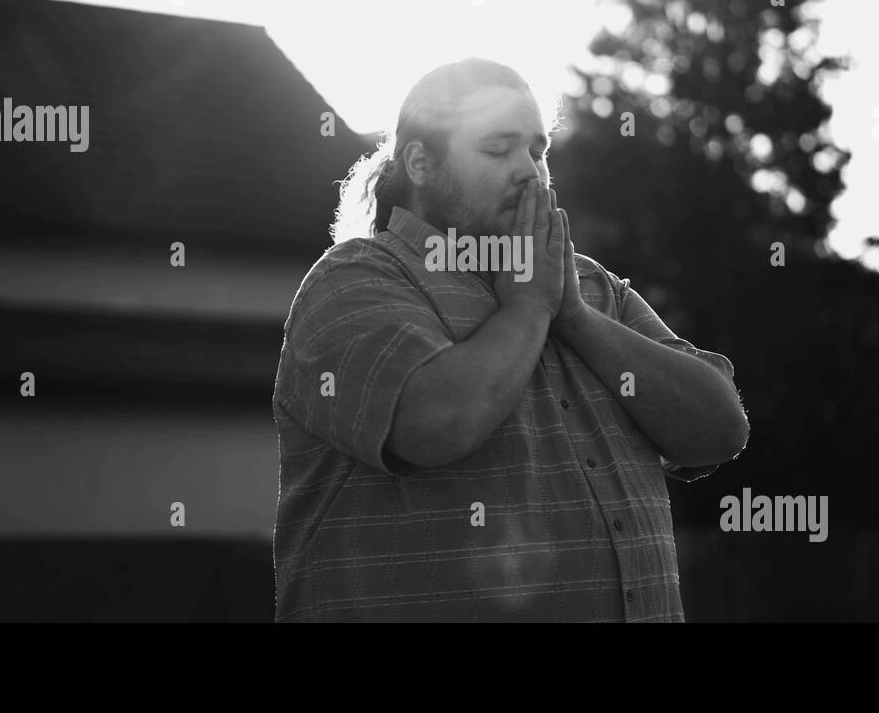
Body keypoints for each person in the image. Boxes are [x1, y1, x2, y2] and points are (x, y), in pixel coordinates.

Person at [272, 57, 749, 622]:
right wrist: (528, 309)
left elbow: (721, 428)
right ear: (421, 164)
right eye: (498, 150)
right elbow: (435, 425)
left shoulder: (589, 286)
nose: (529, 171)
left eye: (539, 151)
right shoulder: (354, 279)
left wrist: (573, 315)